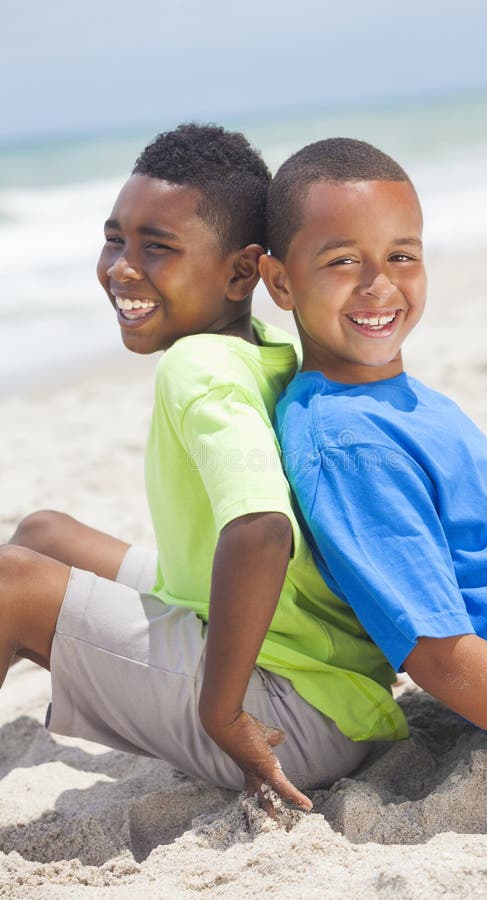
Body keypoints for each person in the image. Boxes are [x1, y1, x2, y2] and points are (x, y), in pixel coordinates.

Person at [3, 125, 406, 813]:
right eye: (115, 238)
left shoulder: (197, 367)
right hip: (337, 688)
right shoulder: (269, 348)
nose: (122, 268)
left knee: (8, 582)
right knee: (41, 534)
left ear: (242, 273)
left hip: (285, 721)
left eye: (157, 248)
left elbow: (261, 528)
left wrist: (223, 716)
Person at [261, 137, 487, 780]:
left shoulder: (394, 395)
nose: (379, 285)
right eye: (342, 261)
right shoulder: (347, 444)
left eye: (401, 256)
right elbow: (437, 655)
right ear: (280, 280)